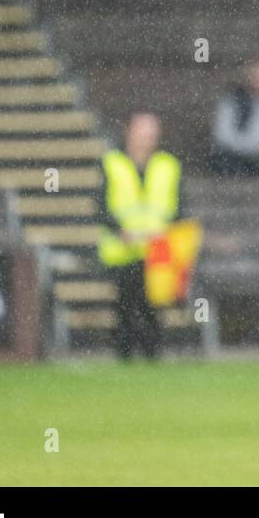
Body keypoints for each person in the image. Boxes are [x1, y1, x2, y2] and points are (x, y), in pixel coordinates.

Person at [96, 112, 187, 361]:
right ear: (129, 131)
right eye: (142, 131)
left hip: (156, 251)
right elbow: (100, 207)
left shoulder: (168, 165)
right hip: (122, 251)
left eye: (151, 132)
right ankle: (124, 352)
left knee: (151, 306)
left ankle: (151, 353)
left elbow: (180, 209)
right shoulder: (112, 163)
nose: (147, 138)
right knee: (125, 303)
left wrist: (165, 229)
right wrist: (119, 230)